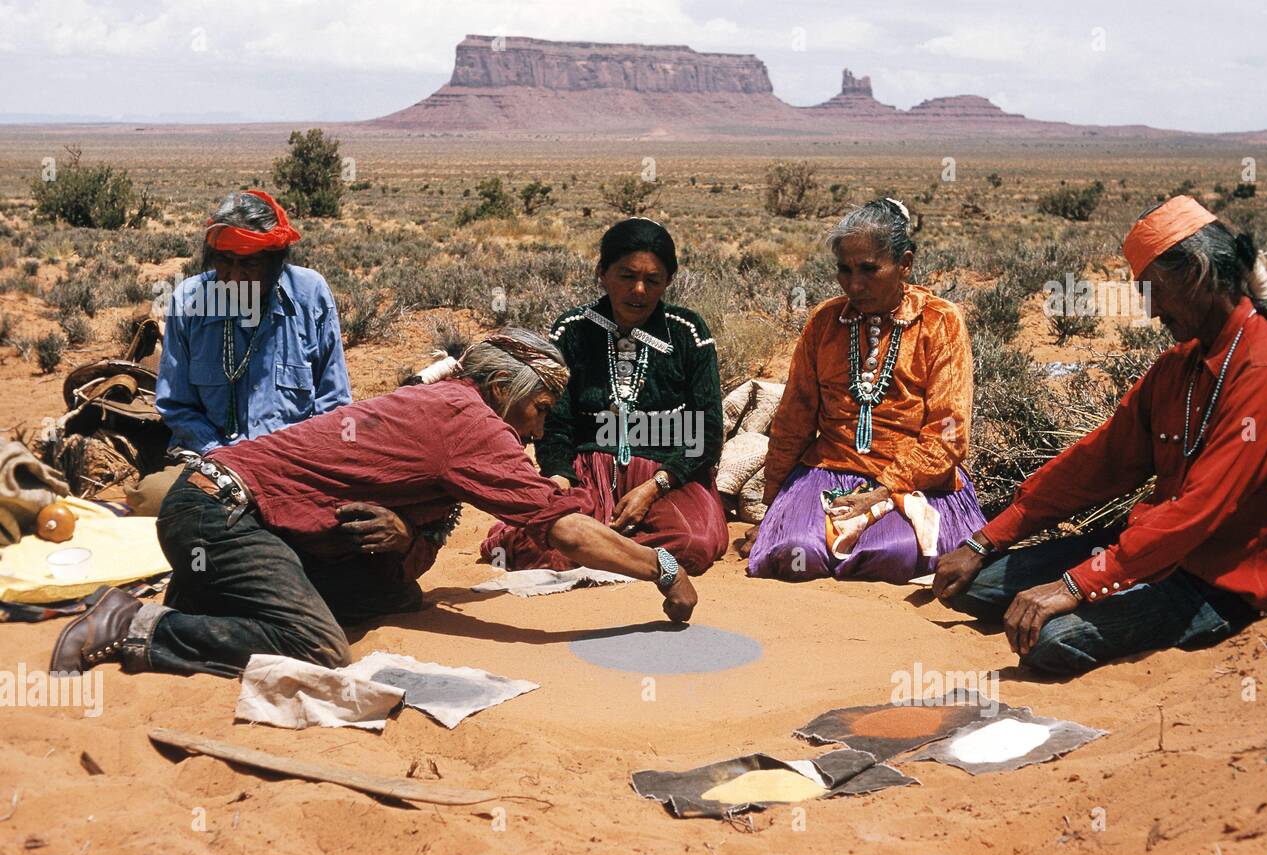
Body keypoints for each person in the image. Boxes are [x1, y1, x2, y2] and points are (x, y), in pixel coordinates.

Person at [50, 329, 697, 678]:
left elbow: (412, 564)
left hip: (225, 516)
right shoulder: (469, 421)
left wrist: (401, 540)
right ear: (503, 387)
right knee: (317, 649)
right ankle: (132, 625)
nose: (534, 432)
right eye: (537, 410)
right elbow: (568, 533)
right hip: (220, 511)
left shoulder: (447, 414)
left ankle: (209, 606)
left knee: (391, 597)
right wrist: (663, 569)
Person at [932, 195, 1267, 676]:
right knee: (975, 586)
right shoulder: (1178, 366)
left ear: (1198, 273)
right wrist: (986, 540)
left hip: (1214, 582)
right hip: (1147, 550)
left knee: (1046, 639)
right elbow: (1097, 463)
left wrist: (1077, 585)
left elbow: (1197, 511)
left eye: (1154, 291)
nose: (1150, 312)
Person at [743, 199, 985, 583]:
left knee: (890, 553)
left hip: (912, 480)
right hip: (827, 471)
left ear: (904, 264)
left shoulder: (939, 321)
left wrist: (882, 492)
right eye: (844, 269)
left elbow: (948, 433)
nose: (854, 284)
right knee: (794, 554)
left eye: (870, 269)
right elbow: (795, 417)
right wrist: (774, 508)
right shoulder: (825, 321)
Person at [481, 218, 728, 575]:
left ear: (669, 282)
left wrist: (654, 487)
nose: (639, 290)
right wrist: (559, 476)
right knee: (543, 548)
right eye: (627, 276)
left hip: (667, 476)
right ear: (602, 273)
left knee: (694, 544)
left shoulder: (687, 331)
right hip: (589, 473)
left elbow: (705, 431)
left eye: (653, 280)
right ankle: (624, 555)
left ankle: (606, 552)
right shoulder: (574, 330)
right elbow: (557, 420)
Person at [129, 190, 351, 514]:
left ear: (275, 262)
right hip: (214, 462)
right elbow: (176, 405)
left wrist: (288, 464)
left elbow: (333, 403)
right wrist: (225, 460)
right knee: (154, 501)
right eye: (224, 261)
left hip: (296, 464)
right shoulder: (189, 301)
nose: (233, 276)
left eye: (249, 263)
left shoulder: (310, 294)